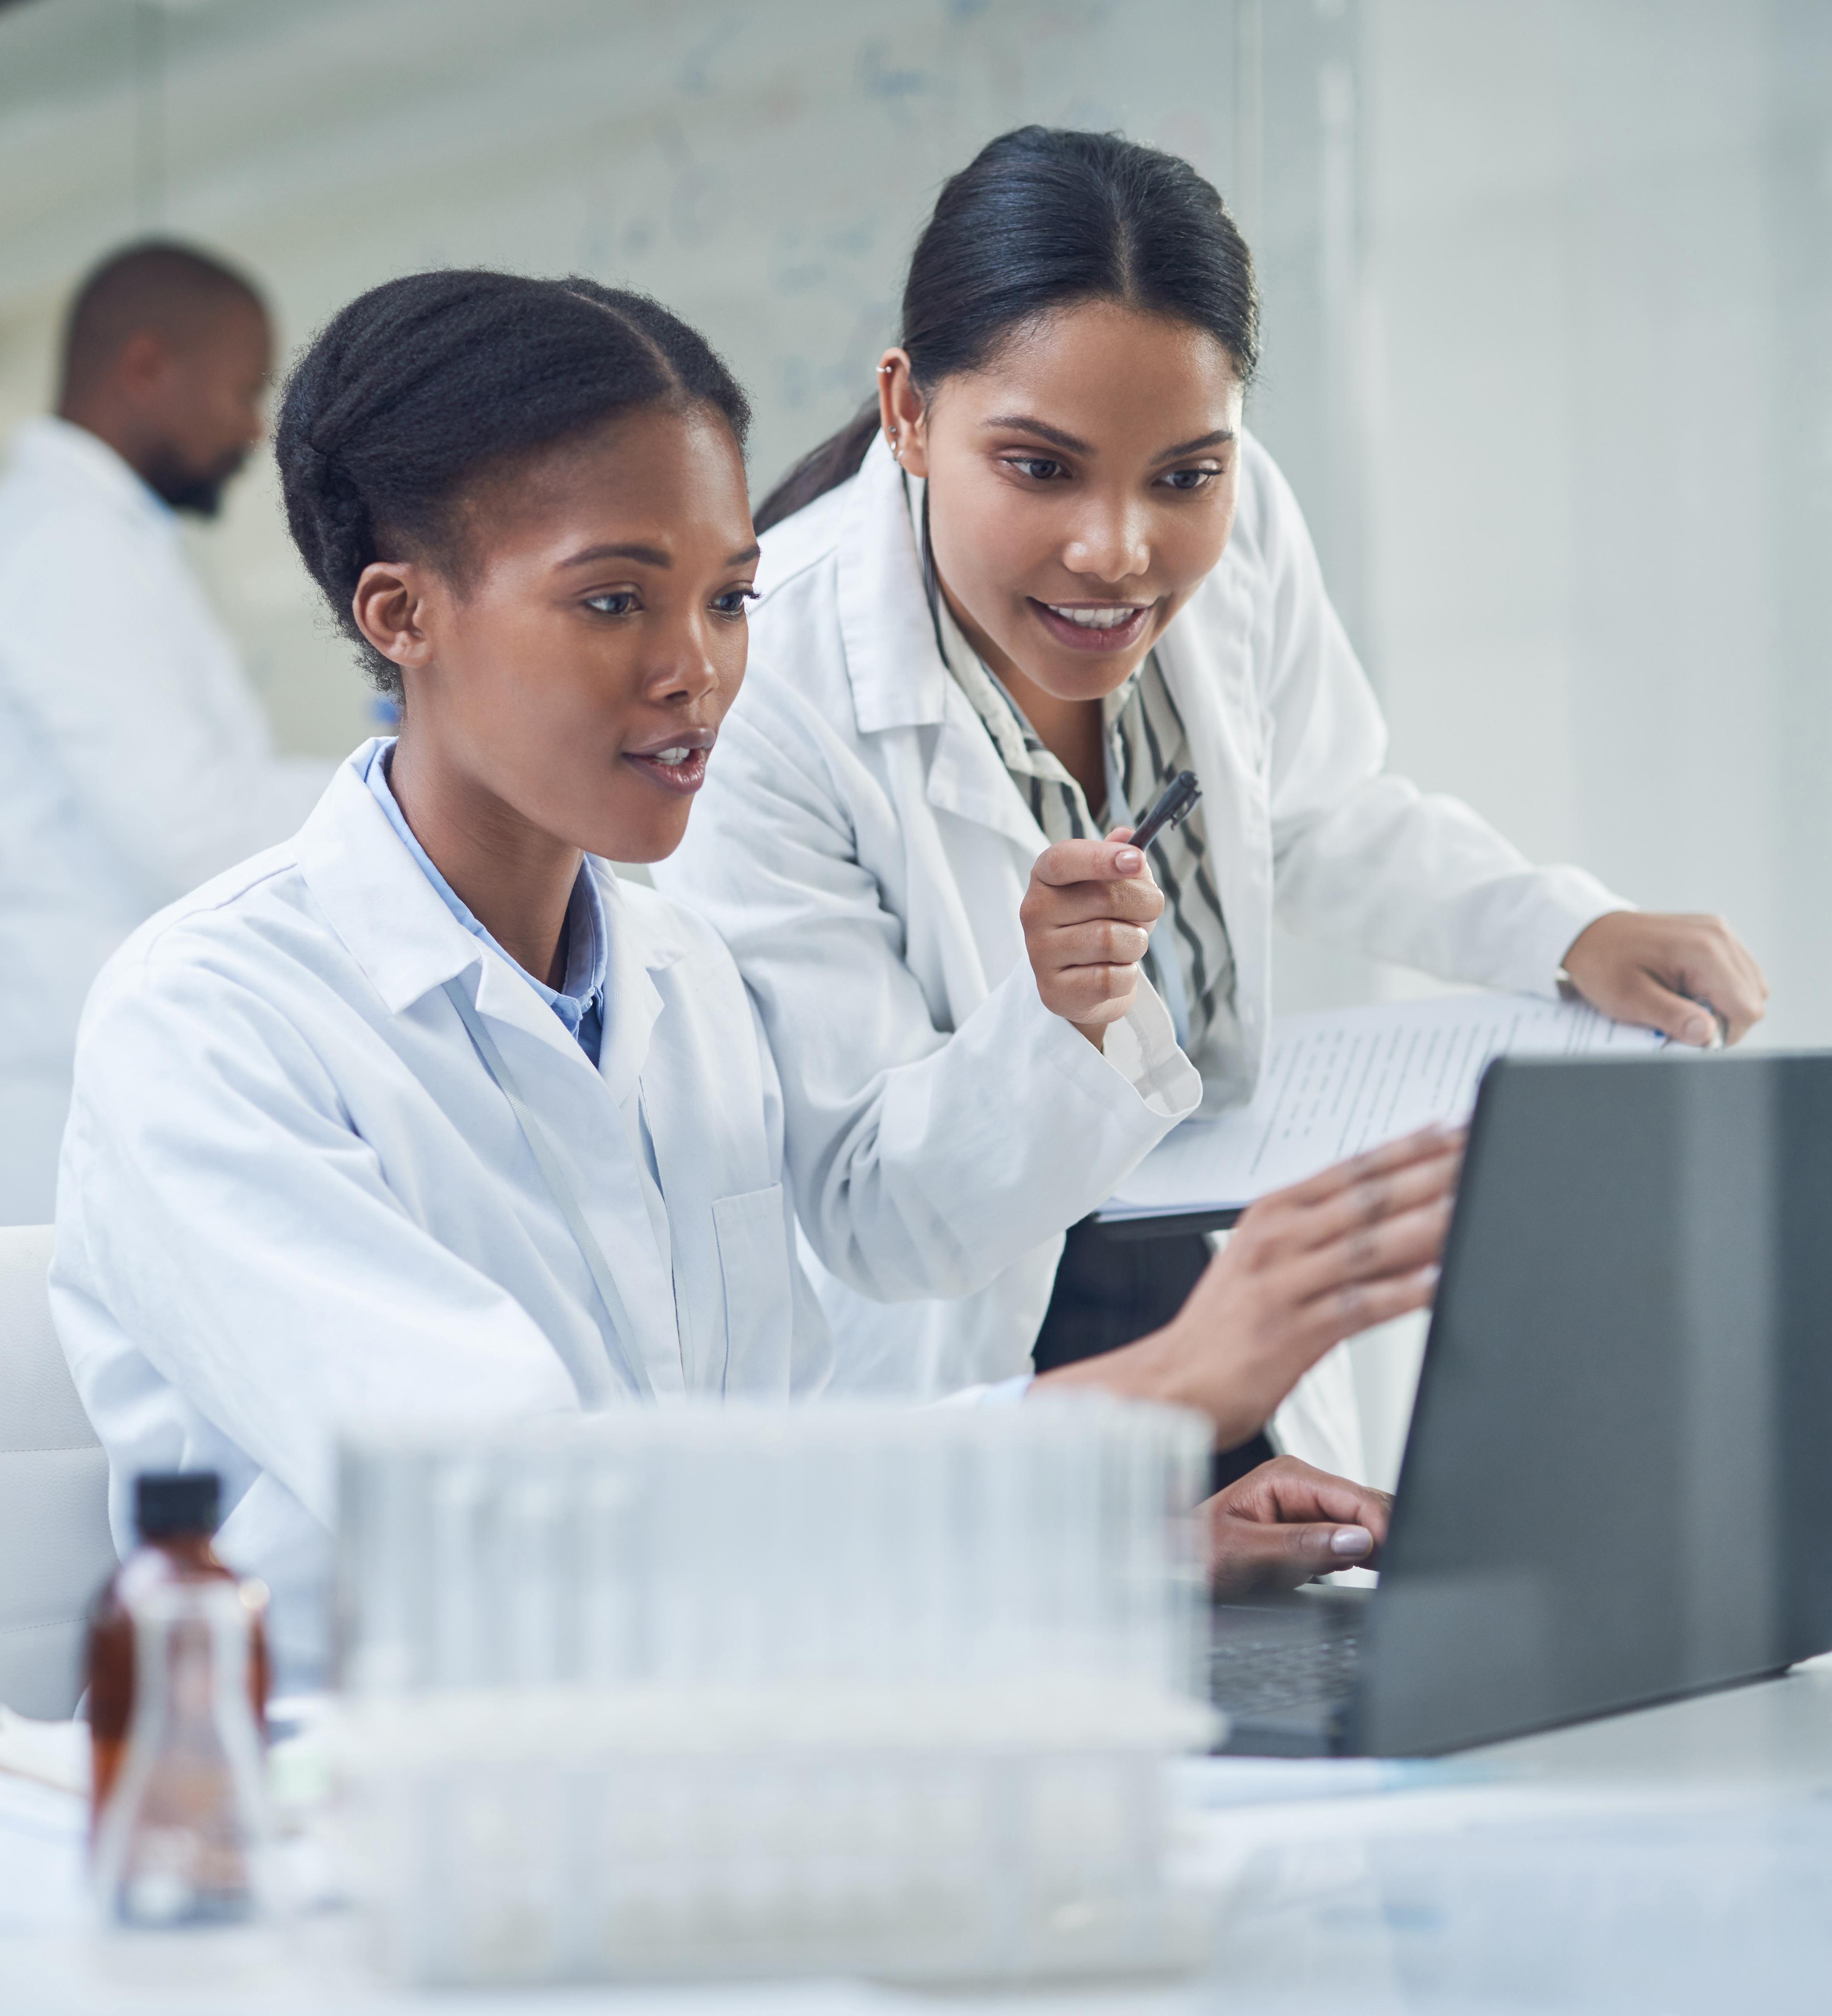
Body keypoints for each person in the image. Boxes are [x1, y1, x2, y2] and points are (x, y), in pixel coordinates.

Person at [50, 270, 1461, 1687]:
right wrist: (1151, 1391)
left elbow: (774, 1474)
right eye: (614, 601)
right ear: (402, 613)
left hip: (692, 1758)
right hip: (364, 1811)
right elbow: (520, 1517)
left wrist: (1112, 1547)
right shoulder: (212, 1024)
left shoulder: (681, 986)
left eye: (730, 600)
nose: (697, 671)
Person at [665, 126, 1771, 1464]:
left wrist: (1558, 929)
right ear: (909, 412)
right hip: (973, 1364)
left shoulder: (1242, 522)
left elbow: (1311, 808)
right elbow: (873, 1210)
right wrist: (1060, 1023)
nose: (1118, 550)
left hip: (1214, 1272)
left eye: (1184, 474)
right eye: (1039, 466)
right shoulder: (767, 677)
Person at [0, 240, 331, 1224]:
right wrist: (418, 783)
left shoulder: (94, 537)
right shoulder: (68, 543)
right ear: (145, 368)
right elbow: (187, 831)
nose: (252, 426)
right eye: (242, 389)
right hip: (59, 1086)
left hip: (87, 1068)